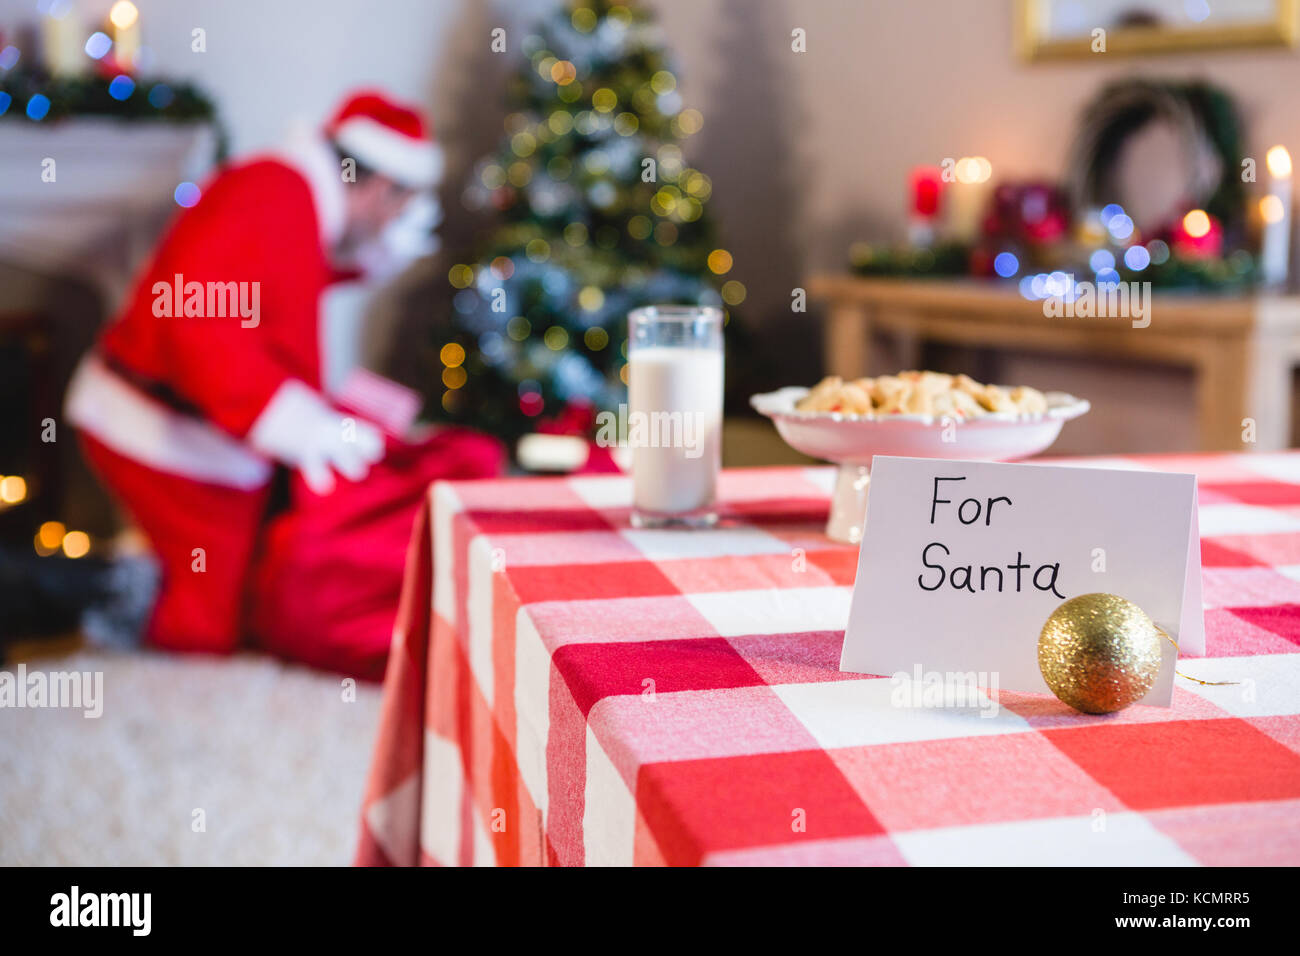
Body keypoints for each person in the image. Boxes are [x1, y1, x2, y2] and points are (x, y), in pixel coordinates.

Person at [66, 90, 503, 679]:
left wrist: (371, 257)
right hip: (158, 427)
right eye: (399, 209)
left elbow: (283, 274)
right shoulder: (273, 192)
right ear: (379, 189)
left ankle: (112, 581)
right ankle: (49, 591)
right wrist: (288, 419)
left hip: (200, 427)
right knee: (206, 627)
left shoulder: (292, 198)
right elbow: (199, 317)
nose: (395, 223)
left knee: (236, 596)